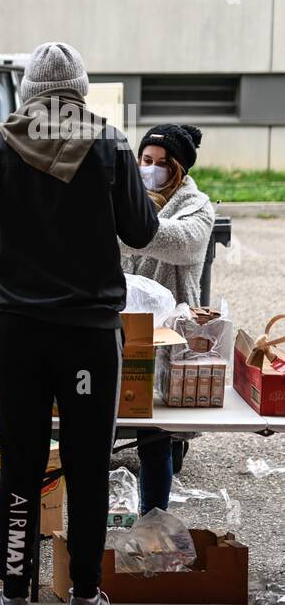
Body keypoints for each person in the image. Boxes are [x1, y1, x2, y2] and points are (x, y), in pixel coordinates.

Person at [0, 43, 158, 605]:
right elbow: (141, 231)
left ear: (29, 90)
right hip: (90, 334)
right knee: (89, 462)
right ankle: (85, 596)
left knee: (20, 459)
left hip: (18, 332)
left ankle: (15, 593)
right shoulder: (112, 144)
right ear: (80, 88)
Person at [120, 124, 215, 513]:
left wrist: (122, 223)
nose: (151, 169)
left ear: (179, 169)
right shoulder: (126, 202)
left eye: (162, 163)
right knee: (138, 428)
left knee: (157, 436)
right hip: (128, 327)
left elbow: (178, 242)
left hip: (171, 334)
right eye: (146, 160)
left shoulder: (198, 207)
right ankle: (137, 521)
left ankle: (152, 524)